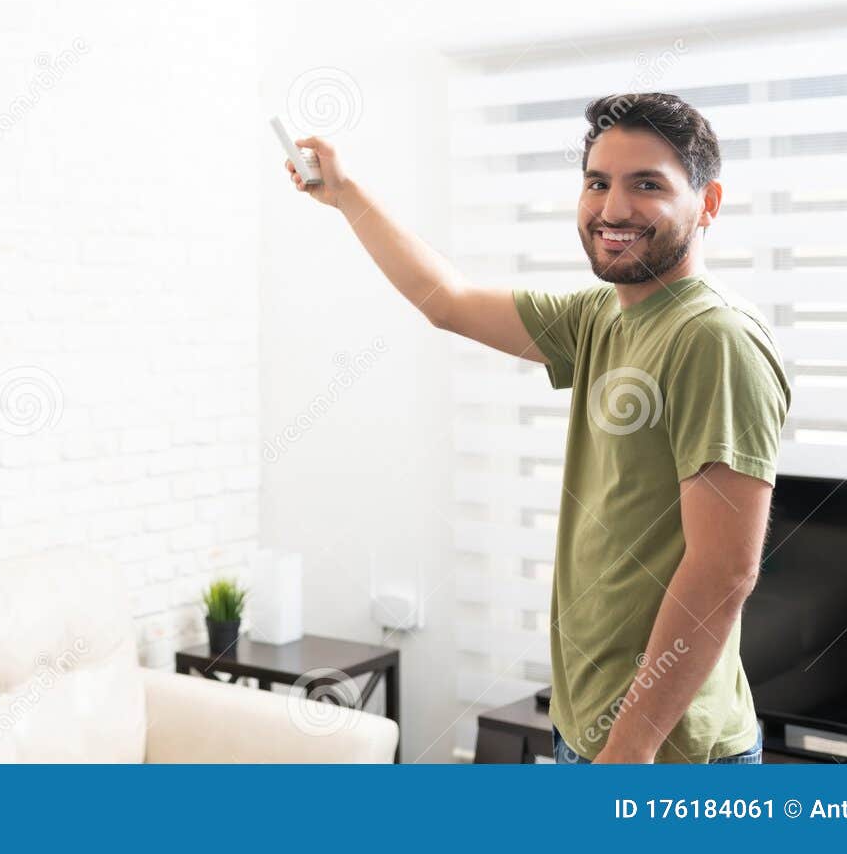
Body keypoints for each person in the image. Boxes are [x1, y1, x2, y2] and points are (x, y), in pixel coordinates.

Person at [285, 91, 789, 764]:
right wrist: (346, 193)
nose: (612, 209)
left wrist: (630, 748)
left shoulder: (713, 338)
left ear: (709, 203)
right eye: (597, 182)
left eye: (647, 184)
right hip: (588, 727)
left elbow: (725, 570)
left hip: (668, 755)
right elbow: (450, 301)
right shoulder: (600, 317)